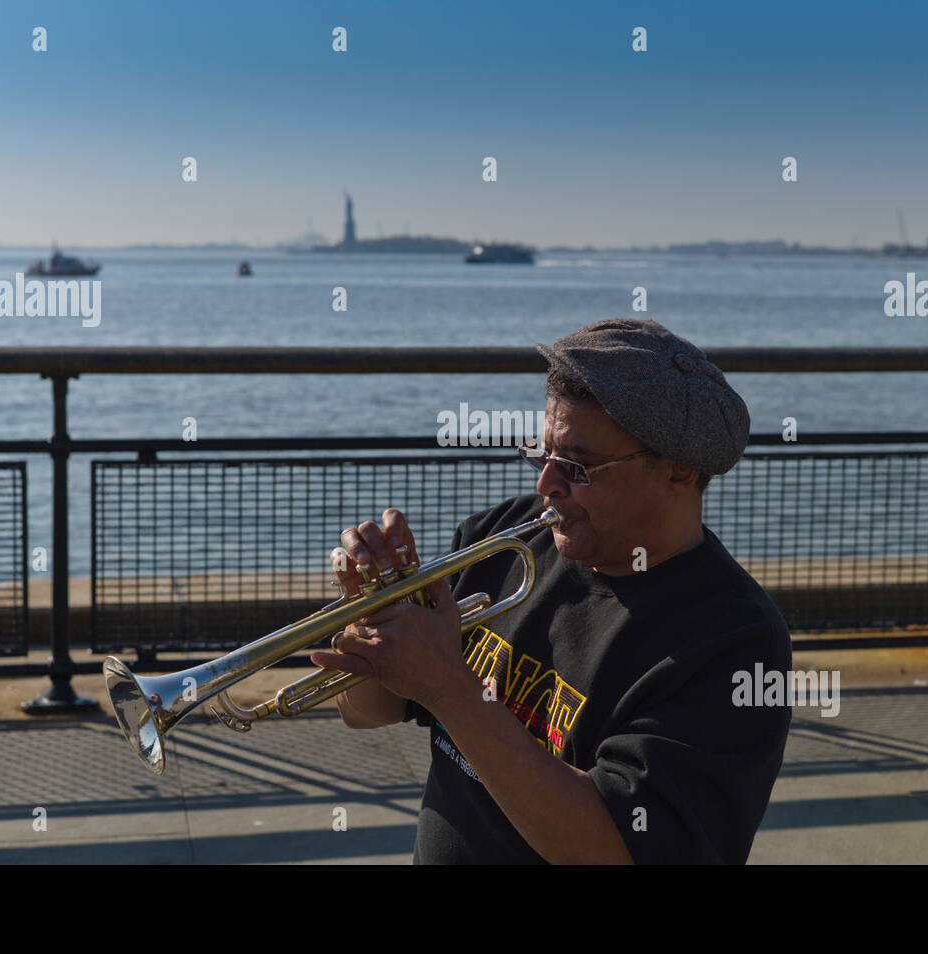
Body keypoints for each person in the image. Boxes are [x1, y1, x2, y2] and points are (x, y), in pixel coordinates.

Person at [312, 318, 792, 864]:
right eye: (542, 454)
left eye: (578, 467)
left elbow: (616, 849)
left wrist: (450, 688)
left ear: (678, 473)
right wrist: (374, 619)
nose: (545, 485)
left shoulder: (734, 641)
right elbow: (369, 711)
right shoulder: (503, 540)